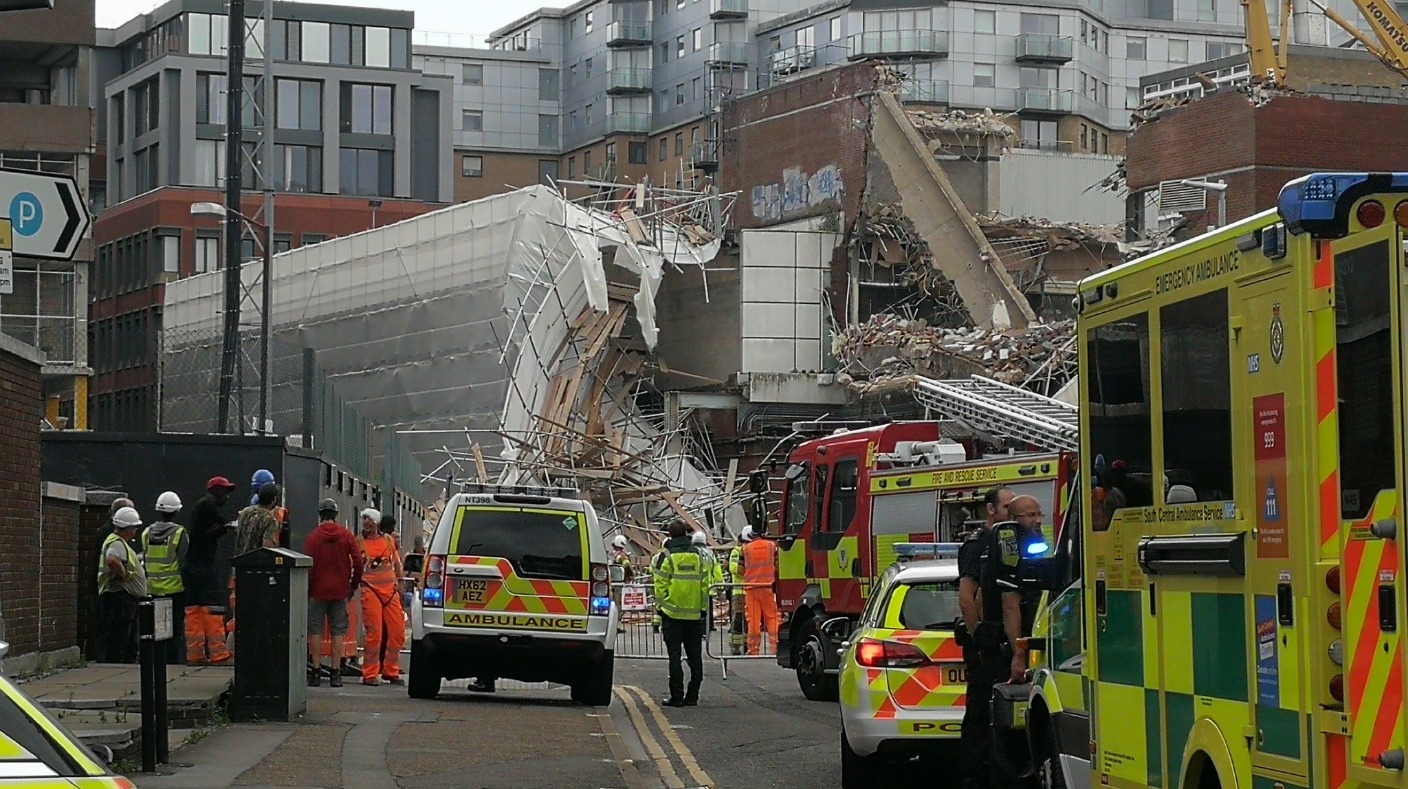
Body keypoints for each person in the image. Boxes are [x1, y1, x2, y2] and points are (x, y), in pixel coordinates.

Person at [974, 494, 1047, 788]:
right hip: (1013, 654)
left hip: (1028, 647)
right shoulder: (1008, 551)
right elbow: (1011, 606)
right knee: (1012, 735)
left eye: (1038, 514)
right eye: (1029, 515)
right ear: (1011, 521)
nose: (1037, 520)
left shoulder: (1032, 547)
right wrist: (1018, 653)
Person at [957, 486, 1014, 789]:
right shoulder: (977, 545)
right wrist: (981, 639)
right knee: (980, 719)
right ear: (991, 510)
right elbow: (967, 599)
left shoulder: (1018, 543)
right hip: (988, 650)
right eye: (1008, 506)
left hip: (1012, 647)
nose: (1014, 512)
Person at [304, 499, 362, 688]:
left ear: (320, 515)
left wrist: (309, 589)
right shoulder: (346, 536)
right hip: (339, 592)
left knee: (315, 631)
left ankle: (315, 671)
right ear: (335, 515)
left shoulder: (313, 537)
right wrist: (352, 586)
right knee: (338, 631)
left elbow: (308, 566)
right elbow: (359, 562)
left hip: (317, 592)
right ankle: (336, 673)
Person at [653, 522, 707, 707]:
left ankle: (677, 697)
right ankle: (693, 695)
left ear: (669, 535)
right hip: (693, 615)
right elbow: (704, 584)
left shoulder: (666, 556)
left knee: (674, 657)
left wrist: (661, 607)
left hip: (672, 614)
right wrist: (702, 608)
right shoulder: (697, 555)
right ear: (685, 534)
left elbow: (659, 585)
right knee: (695, 658)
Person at [185, 477, 237, 665]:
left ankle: (195, 654)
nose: (227, 497)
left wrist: (222, 529)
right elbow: (220, 521)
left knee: (194, 610)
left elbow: (207, 534)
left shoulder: (200, 508)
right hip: (203, 567)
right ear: (215, 491)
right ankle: (219, 655)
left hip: (192, 566)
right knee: (213, 607)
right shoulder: (208, 504)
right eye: (225, 492)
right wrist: (229, 525)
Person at [358, 508, 405, 686]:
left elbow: (396, 563)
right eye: (364, 521)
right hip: (371, 590)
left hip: (390, 590)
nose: (366, 525)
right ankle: (370, 673)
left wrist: (400, 583)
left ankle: (390, 670)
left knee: (397, 632)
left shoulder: (388, 540)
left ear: (376, 523)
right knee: (374, 634)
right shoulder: (359, 542)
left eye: (369, 521)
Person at [142, 492, 188, 665]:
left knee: (155, 632)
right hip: (175, 590)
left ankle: (155, 665)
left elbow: (146, 559)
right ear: (176, 511)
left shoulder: (146, 533)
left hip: (152, 590)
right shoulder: (179, 533)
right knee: (174, 633)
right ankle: (172, 665)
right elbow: (184, 562)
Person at [98, 507, 147, 663]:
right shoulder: (117, 543)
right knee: (121, 636)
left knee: (125, 635)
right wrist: (124, 575)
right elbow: (112, 560)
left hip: (123, 597)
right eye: (134, 527)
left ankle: (123, 662)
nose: (136, 531)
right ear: (128, 528)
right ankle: (117, 664)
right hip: (121, 596)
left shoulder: (118, 542)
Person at [93, 497, 134, 662]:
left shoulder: (110, 533)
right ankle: (108, 661)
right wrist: (124, 575)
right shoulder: (110, 534)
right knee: (112, 630)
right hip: (112, 589)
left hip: (111, 589)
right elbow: (112, 560)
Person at [739, 526, 779, 656]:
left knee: (753, 621)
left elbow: (740, 570)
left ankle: (753, 650)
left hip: (752, 589)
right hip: (770, 587)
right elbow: (778, 565)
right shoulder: (772, 546)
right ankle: (776, 649)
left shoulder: (745, 549)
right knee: (773, 618)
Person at [235, 483, 283, 556]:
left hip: (238, 562)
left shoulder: (245, 512)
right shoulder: (270, 521)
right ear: (274, 499)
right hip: (256, 564)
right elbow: (267, 548)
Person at [726, 537, 746, 655]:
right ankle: (736, 647)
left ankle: (748, 646)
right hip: (739, 591)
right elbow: (733, 568)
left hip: (751, 590)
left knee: (750, 621)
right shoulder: (736, 552)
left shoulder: (749, 551)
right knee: (738, 619)